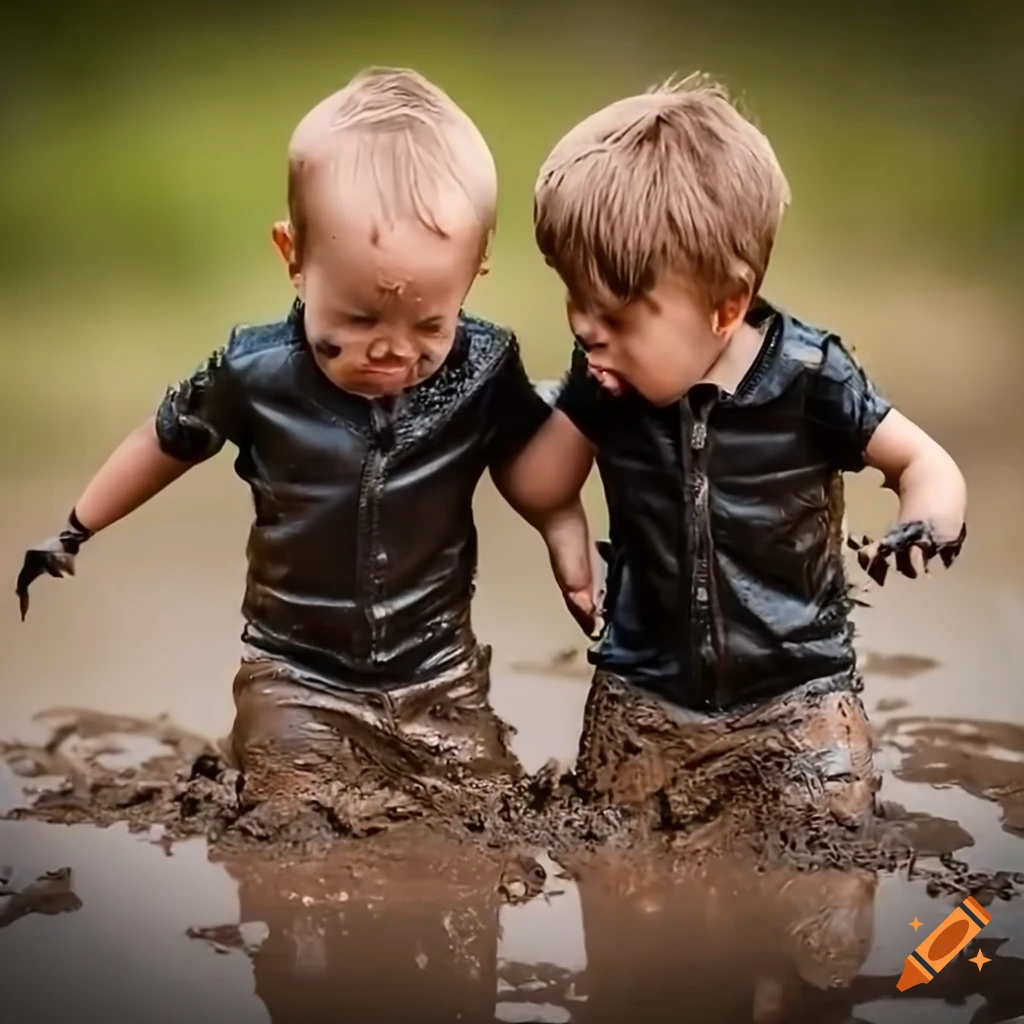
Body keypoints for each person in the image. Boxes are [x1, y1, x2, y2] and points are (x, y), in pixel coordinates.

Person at [15, 67, 591, 823]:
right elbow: (165, 439)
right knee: (294, 824)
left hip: (439, 674)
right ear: (293, 256)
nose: (390, 352)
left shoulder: (485, 368)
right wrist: (75, 525)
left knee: (482, 815)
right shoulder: (256, 374)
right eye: (354, 322)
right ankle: (271, 783)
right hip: (295, 675)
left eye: (429, 327)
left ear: (472, 274)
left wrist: (565, 535)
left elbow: (534, 469)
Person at [501, 73, 967, 833]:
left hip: (799, 698)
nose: (585, 328)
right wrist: (562, 521)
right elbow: (534, 479)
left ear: (725, 307)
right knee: (619, 879)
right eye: (572, 299)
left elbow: (925, 463)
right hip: (643, 694)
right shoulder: (603, 380)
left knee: (829, 897)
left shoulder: (812, 377)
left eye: (614, 313)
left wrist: (928, 522)